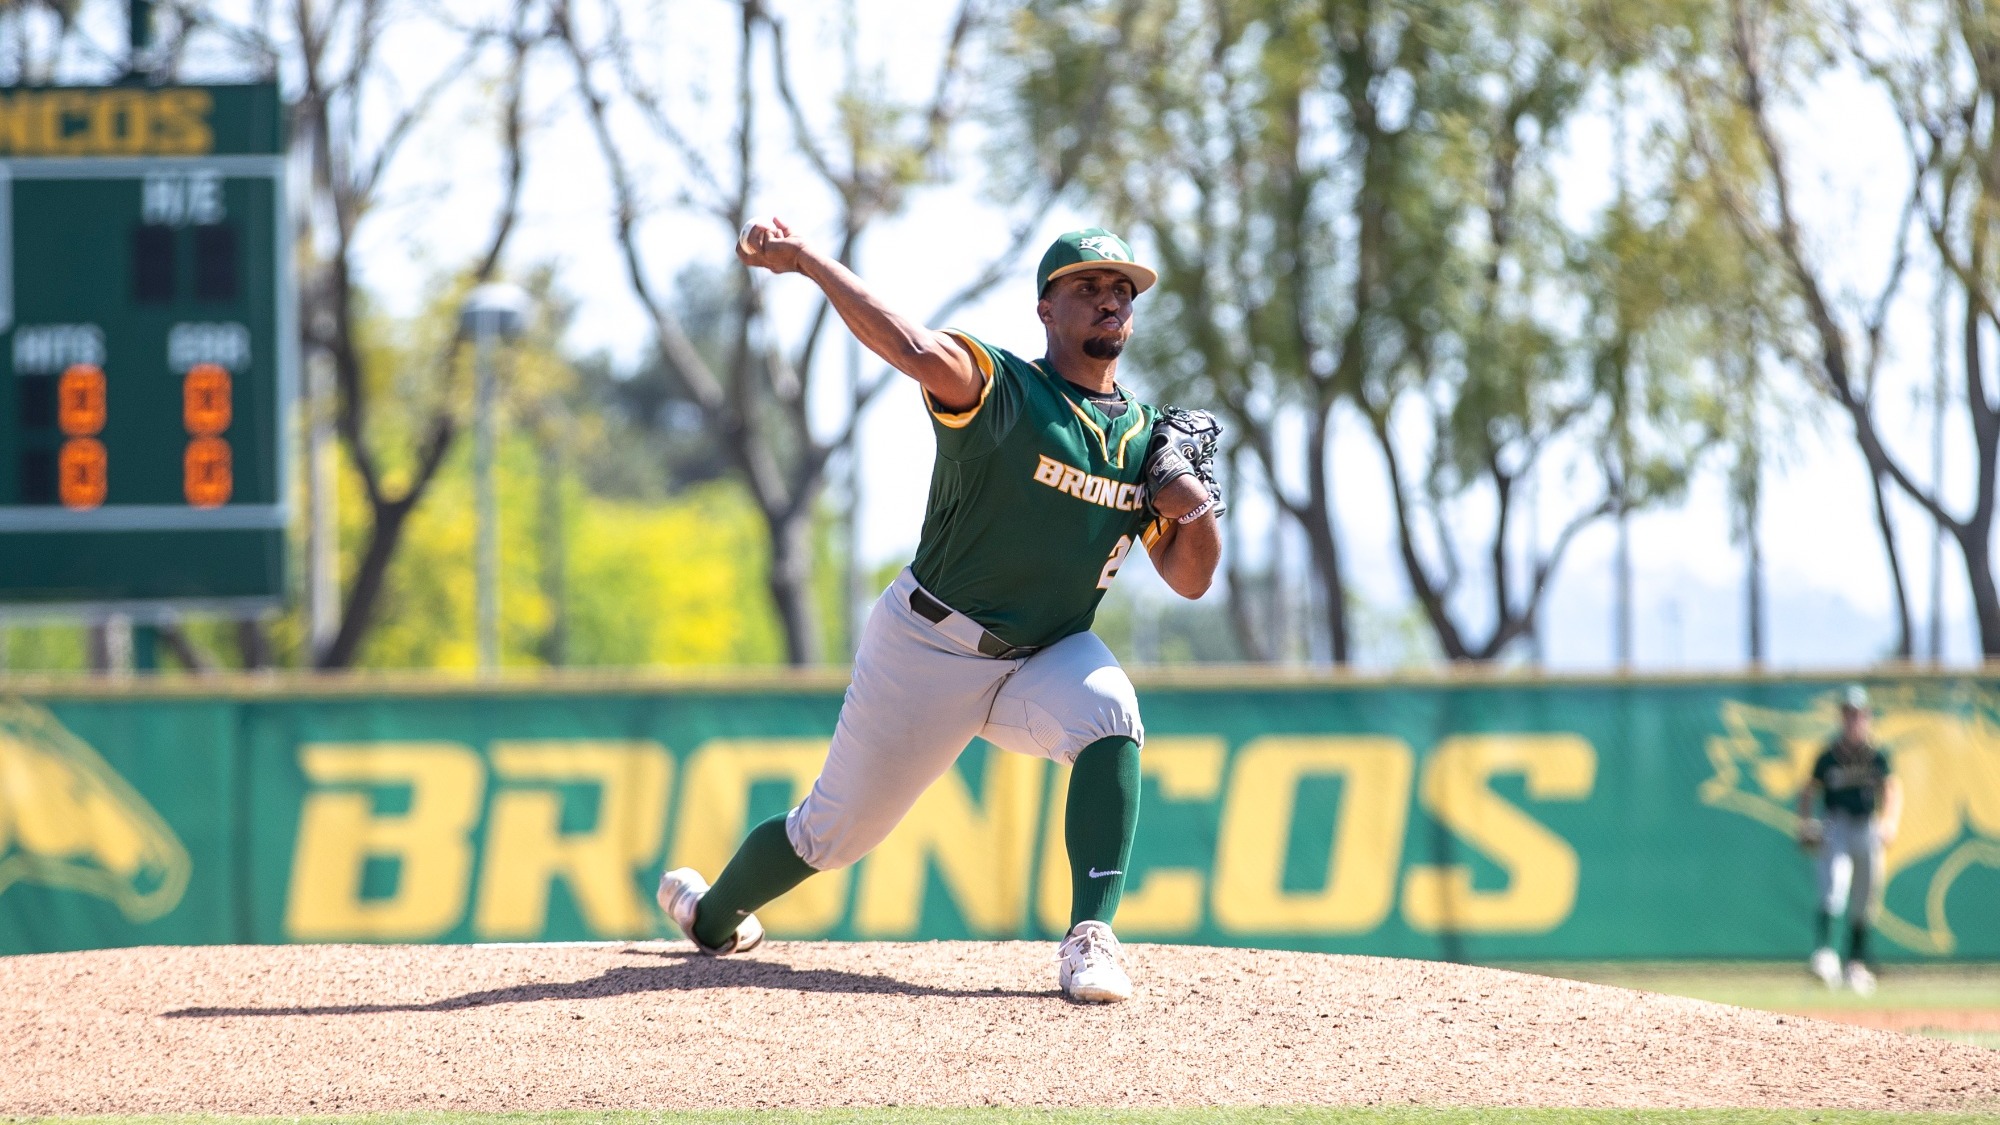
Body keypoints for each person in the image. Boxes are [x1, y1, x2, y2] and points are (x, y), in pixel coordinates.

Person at [653, 220, 1223, 1003]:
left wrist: (1194, 508)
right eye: (1086, 287)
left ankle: (1091, 938)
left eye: (1121, 289)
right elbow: (917, 352)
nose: (1109, 300)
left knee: (1112, 713)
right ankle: (710, 914)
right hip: (929, 643)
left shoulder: (1144, 437)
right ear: (1045, 310)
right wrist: (809, 261)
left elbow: (1190, 582)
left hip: (1046, 652)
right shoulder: (1006, 389)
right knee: (831, 835)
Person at [1796, 685, 1901, 994]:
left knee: (1865, 897)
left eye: (1858, 714)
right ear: (1842, 717)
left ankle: (1855, 964)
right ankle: (1825, 957)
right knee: (1833, 888)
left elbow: (1891, 789)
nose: (1853, 719)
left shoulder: (1876, 755)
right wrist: (1805, 823)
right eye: (1848, 714)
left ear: (1866, 716)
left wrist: (1890, 822)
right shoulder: (1829, 756)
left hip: (1867, 825)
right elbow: (1808, 790)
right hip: (1837, 824)